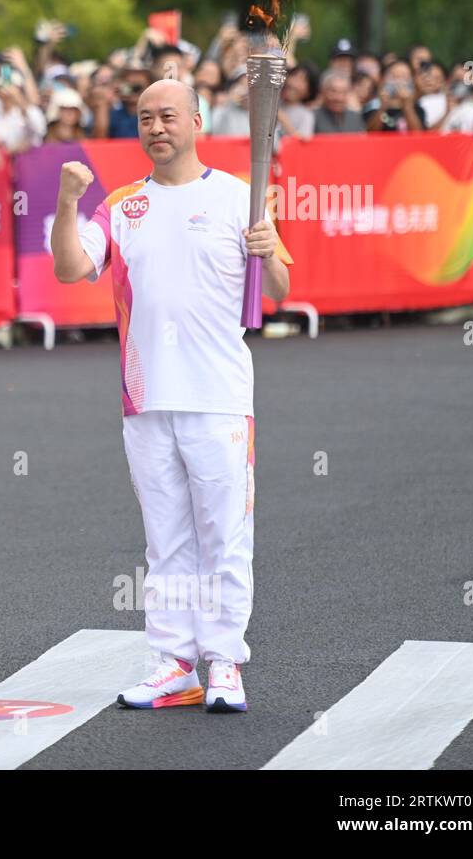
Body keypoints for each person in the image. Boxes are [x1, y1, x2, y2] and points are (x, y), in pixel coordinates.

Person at [49, 79, 294, 713]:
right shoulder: (122, 205)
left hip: (218, 395)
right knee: (166, 542)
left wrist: (268, 255)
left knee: (224, 536)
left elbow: (281, 290)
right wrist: (69, 203)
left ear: (196, 120)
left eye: (168, 116)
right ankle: (174, 661)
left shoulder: (239, 197)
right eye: (144, 118)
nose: (156, 127)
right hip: (145, 395)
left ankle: (224, 663)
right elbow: (72, 268)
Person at [313, 69, 367, 134]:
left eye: (343, 92)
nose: (338, 98)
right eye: (333, 91)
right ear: (323, 91)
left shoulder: (355, 118)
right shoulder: (312, 117)